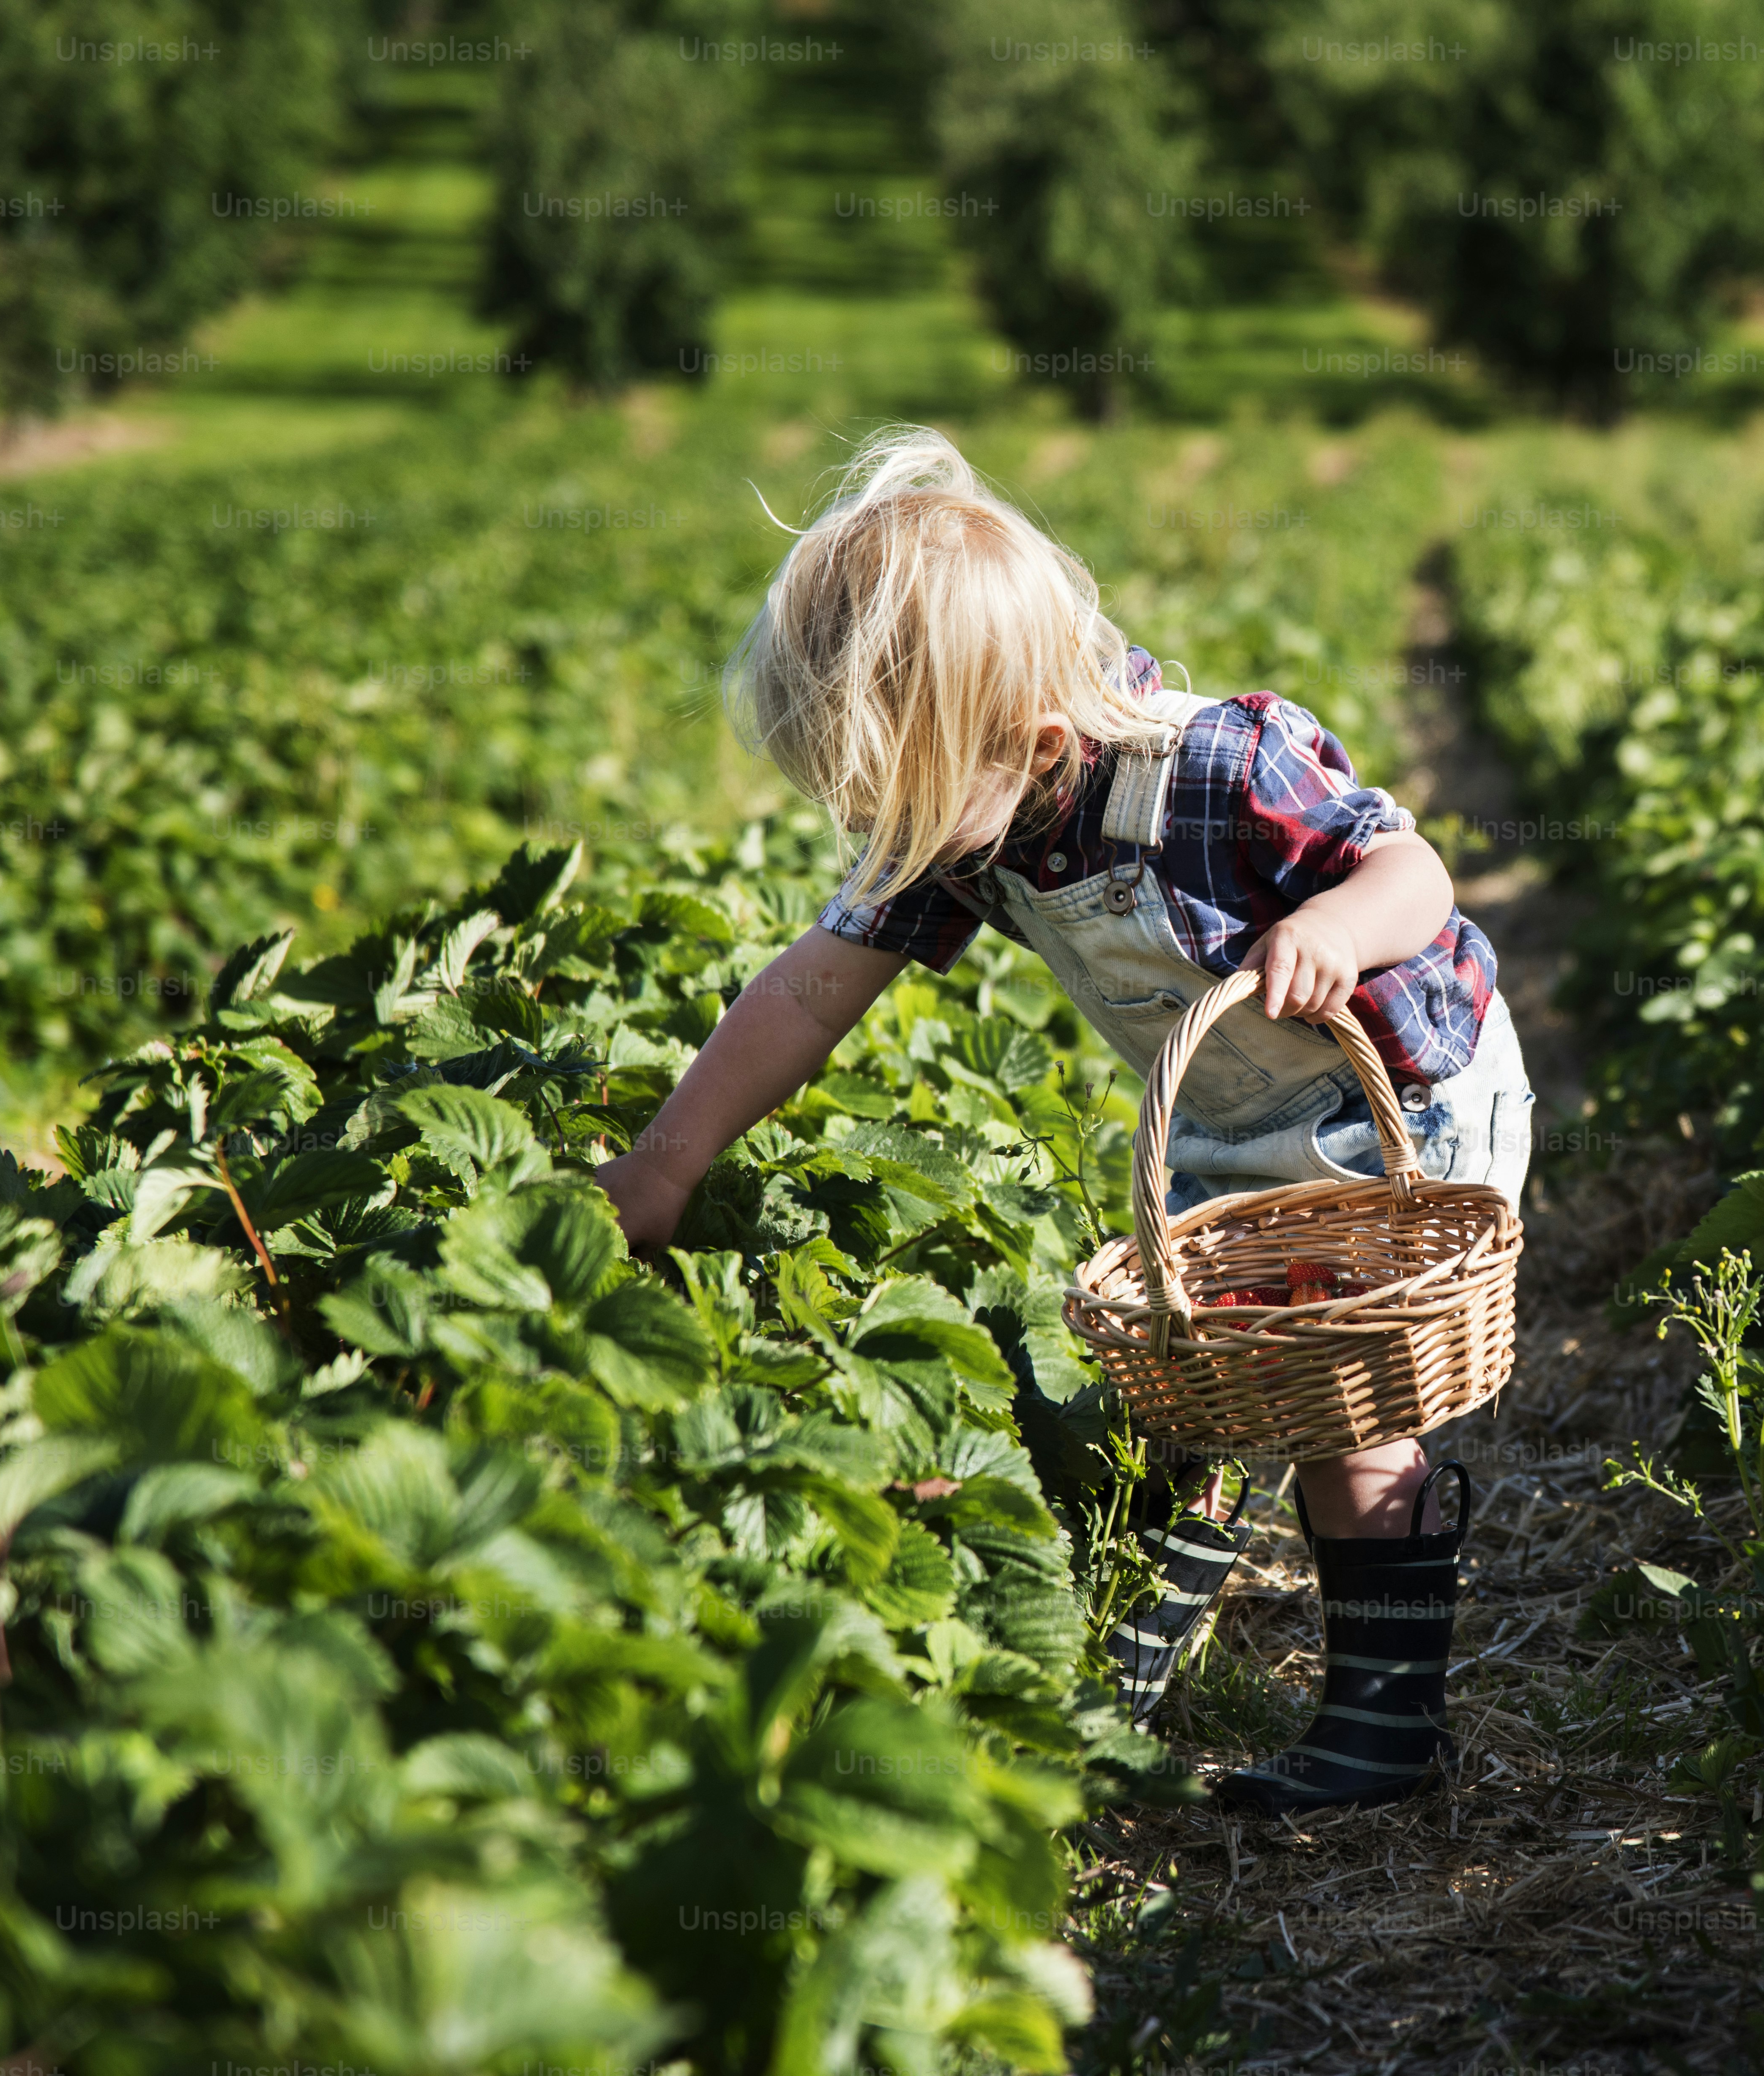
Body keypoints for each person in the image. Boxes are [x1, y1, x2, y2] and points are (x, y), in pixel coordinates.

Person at [592, 424, 1533, 1813]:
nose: (889, 838)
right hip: (1222, 1129)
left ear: (1034, 744)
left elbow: (1417, 869)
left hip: (1390, 1114)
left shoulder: (1223, 768)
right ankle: (1121, 1684)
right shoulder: (971, 816)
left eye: (900, 808)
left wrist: (1337, 923)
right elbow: (807, 993)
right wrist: (667, 1164)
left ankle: (1386, 1730)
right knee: (1190, 1376)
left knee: (1344, 1408)